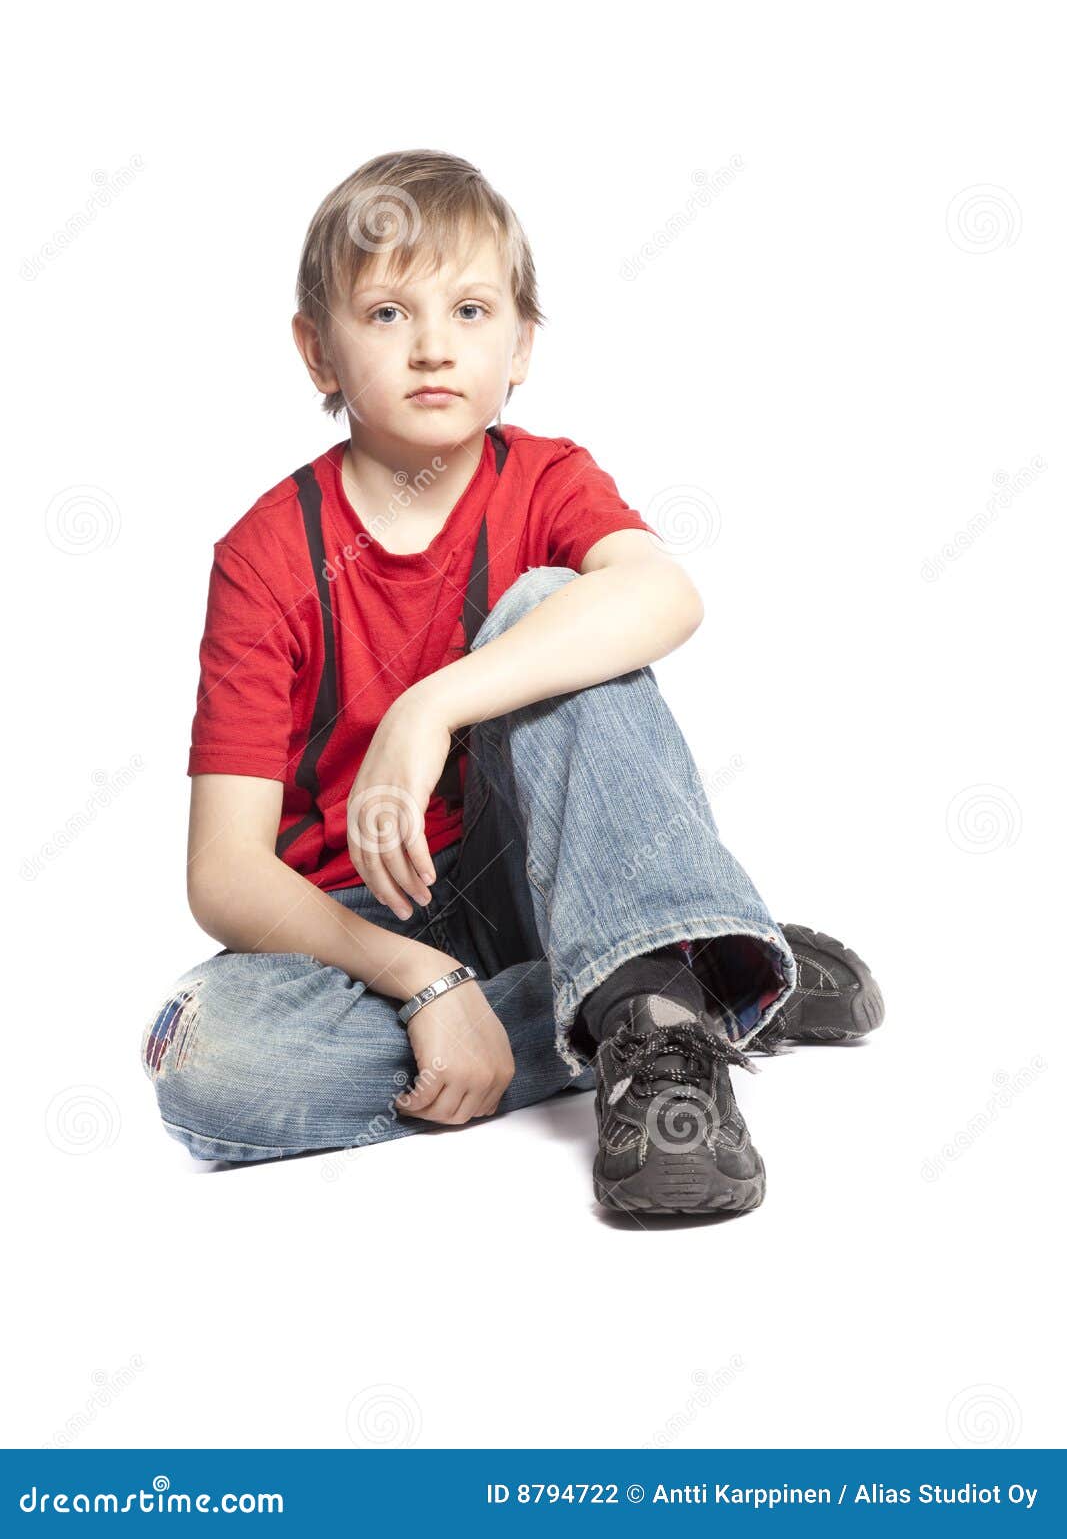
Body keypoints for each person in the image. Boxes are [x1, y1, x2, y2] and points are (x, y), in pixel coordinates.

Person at [141, 149, 883, 1216]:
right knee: (216, 1065)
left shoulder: (544, 480)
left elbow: (662, 596)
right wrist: (425, 983)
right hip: (358, 923)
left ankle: (665, 1022)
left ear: (522, 343)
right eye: (387, 312)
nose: (434, 346)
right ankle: (691, 973)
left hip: (536, 874)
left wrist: (428, 704)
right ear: (318, 351)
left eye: (472, 310)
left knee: (553, 605)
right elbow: (223, 872)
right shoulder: (265, 556)